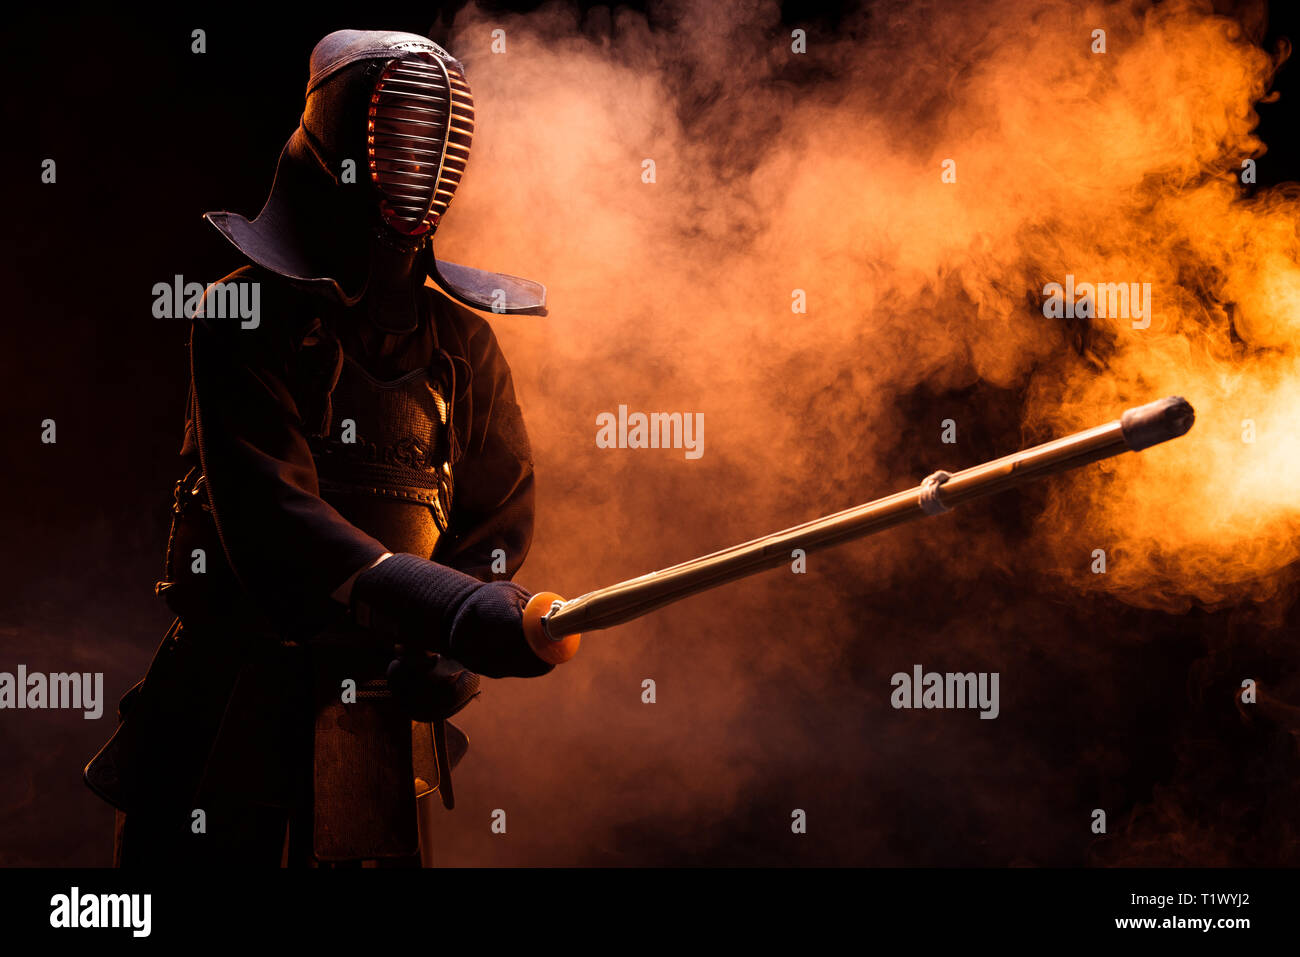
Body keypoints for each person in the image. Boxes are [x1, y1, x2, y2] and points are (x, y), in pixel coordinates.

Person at [85, 29, 554, 867]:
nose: (423, 158)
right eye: (400, 131)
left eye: (438, 139)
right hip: (228, 708)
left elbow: (496, 519)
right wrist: (444, 605)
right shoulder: (241, 317)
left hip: (383, 716)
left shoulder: (462, 345)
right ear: (337, 137)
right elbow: (276, 519)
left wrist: (453, 639)